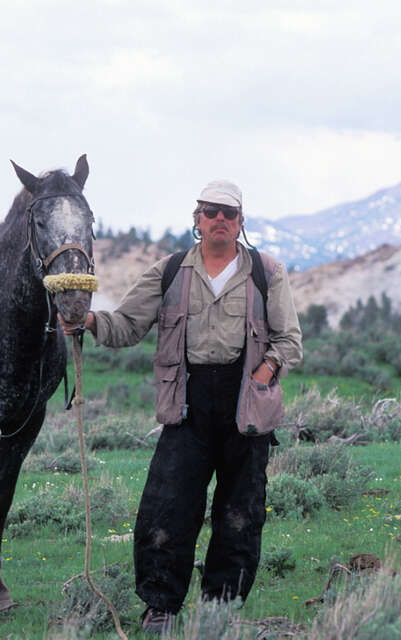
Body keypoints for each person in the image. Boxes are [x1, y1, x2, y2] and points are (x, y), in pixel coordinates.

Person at [60, 179, 302, 634]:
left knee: (240, 514)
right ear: (197, 218)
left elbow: (289, 342)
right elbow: (128, 325)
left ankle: (219, 608)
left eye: (228, 214)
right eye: (211, 211)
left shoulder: (267, 272)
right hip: (187, 405)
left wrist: (262, 375)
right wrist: (86, 320)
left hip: (245, 406)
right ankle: (160, 608)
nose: (219, 220)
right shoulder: (169, 271)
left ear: (241, 222)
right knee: (166, 508)